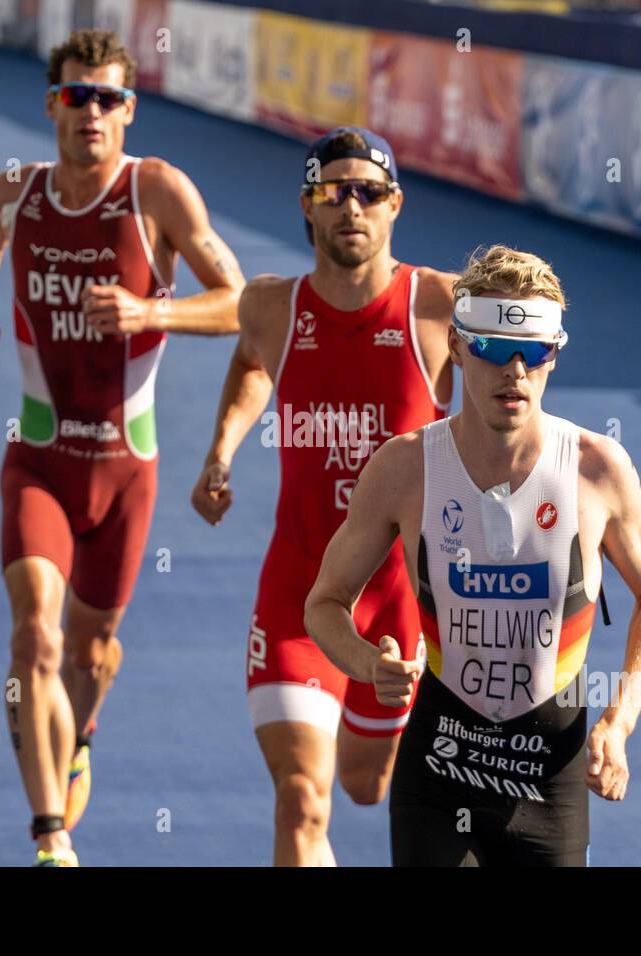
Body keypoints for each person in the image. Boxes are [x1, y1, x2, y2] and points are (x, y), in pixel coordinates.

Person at [0, 29, 244, 866]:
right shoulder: (18, 190)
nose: (92, 112)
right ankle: (51, 836)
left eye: (108, 98)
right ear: (52, 105)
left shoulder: (157, 192)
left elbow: (238, 302)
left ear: (129, 111)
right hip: (39, 462)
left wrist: (153, 312)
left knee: (90, 652)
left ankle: (79, 734)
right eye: (77, 97)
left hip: (126, 473)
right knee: (34, 640)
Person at [304, 245, 641, 866]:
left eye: (533, 353)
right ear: (455, 346)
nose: (514, 371)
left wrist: (622, 717)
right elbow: (324, 603)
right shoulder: (404, 469)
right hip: (440, 765)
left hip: (549, 781)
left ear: (553, 354)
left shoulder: (595, 470)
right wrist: (368, 664)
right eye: (491, 350)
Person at [191, 128, 457, 866]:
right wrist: (222, 449)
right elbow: (250, 359)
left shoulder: (436, 307)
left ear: (395, 205)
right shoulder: (272, 308)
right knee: (302, 803)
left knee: (366, 787)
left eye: (368, 192)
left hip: (404, 604)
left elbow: (516, 379)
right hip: (299, 595)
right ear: (307, 208)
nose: (350, 207)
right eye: (330, 192)